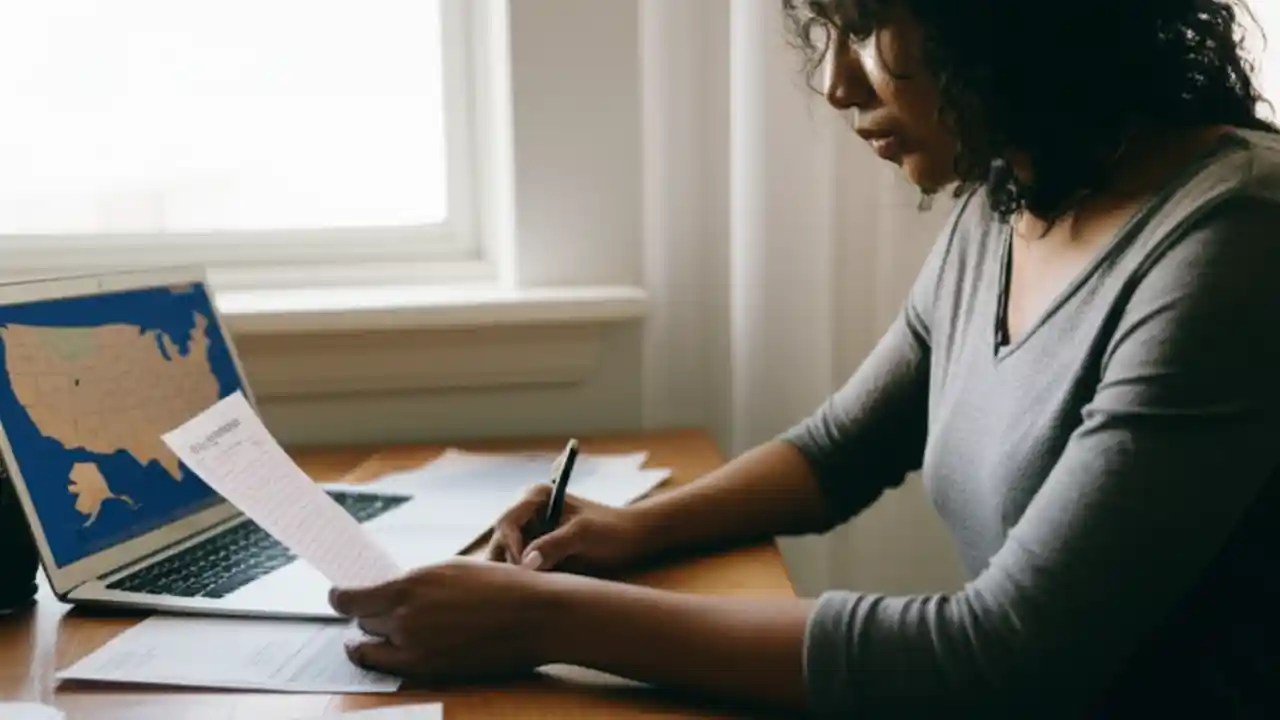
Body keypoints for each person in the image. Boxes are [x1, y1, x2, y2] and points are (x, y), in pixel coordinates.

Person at [329, 0, 1280, 715]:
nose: (836, 84)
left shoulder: (1233, 241)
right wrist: (633, 530)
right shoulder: (1016, 192)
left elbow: (1003, 655)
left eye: (864, 25)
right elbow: (842, 449)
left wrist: (542, 617)